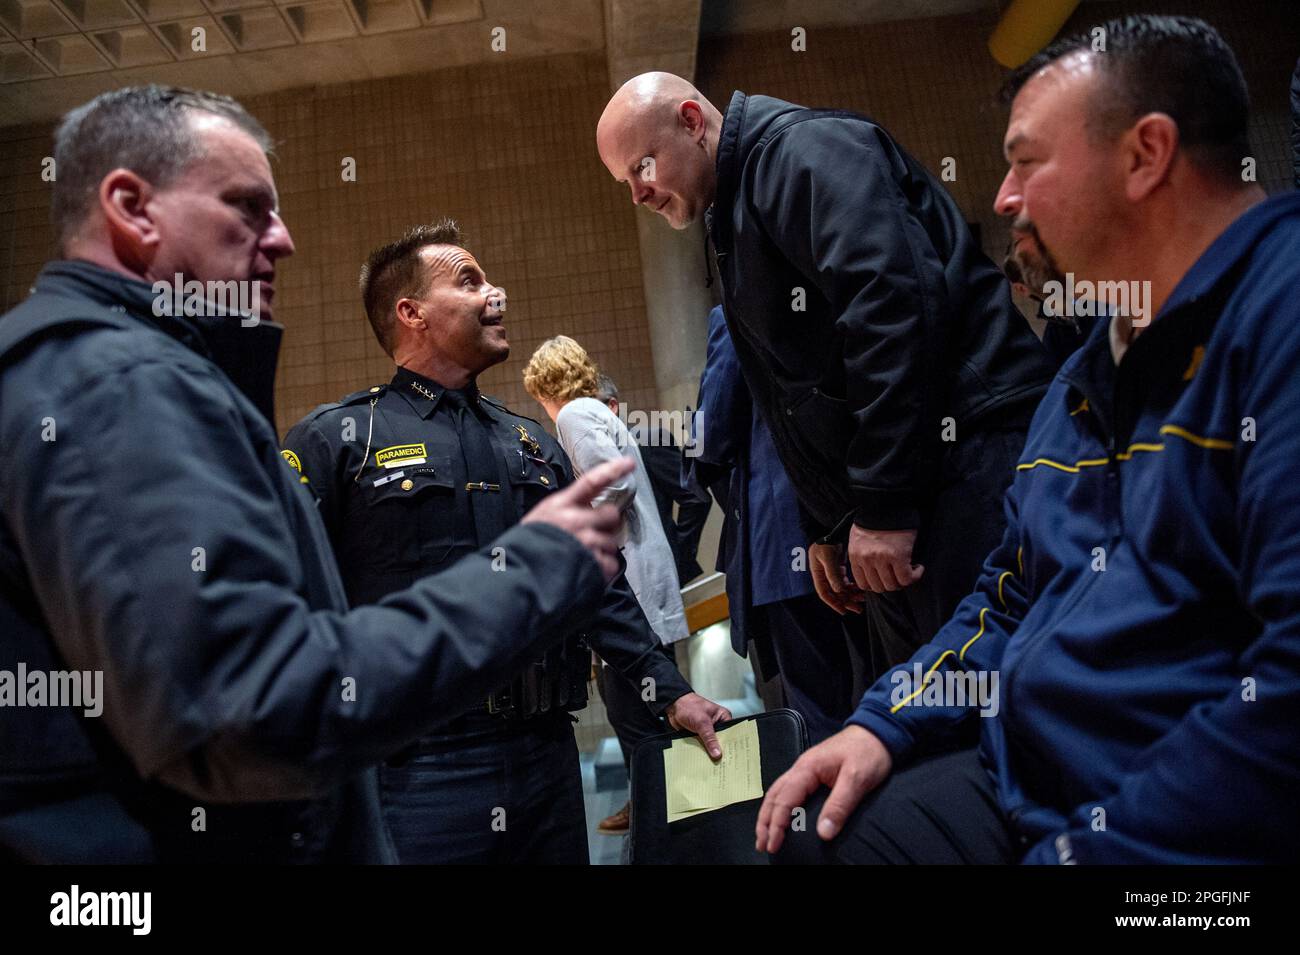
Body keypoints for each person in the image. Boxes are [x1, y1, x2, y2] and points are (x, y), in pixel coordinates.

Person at [0, 87, 634, 863]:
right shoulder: (117, 382)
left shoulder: (82, 368)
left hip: (534, 753)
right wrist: (535, 569)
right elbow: (248, 705)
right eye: (248, 208)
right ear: (133, 208)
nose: (284, 239)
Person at [757, 15, 1300, 864]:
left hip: (1190, 826)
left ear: (1145, 153)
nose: (1004, 198)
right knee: (809, 830)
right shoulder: (1087, 370)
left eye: (1026, 161)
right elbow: (1008, 598)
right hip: (1031, 778)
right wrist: (885, 721)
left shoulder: (1278, 320)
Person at [284, 228, 729, 863]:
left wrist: (670, 690)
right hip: (417, 773)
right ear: (412, 314)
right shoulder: (339, 440)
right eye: (468, 281)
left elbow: (595, 584)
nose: (496, 293)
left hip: (545, 758)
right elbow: (290, 603)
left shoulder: (532, 443)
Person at [597, 72, 1056, 679]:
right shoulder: (735, 207)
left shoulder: (804, 151)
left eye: (643, 167)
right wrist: (828, 526)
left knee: (999, 702)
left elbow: (892, 313)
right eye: (625, 181)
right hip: (906, 498)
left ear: (690, 119)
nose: (638, 194)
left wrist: (884, 505)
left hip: (966, 462)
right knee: (931, 722)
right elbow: (793, 391)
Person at [522, 335, 710, 836]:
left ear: (545, 383)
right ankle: (663, 812)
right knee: (647, 710)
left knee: (637, 716)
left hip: (628, 585)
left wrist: (573, 524)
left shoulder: (573, 416)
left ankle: (663, 823)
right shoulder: (595, 411)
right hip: (641, 575)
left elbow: (615, 483)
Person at [687, 306, 870, 743]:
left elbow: (710, 433)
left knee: (816, 720)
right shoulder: (840, 289)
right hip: (867, 526)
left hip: (782, 541)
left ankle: (827, 813)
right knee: (881, 708)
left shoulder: (740, 308)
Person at [594, 373, 710, 585]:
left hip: (659, 574)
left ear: (611, 406)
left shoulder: (648, 440)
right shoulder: (589, 456)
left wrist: (676, 557)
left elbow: (695, 497)